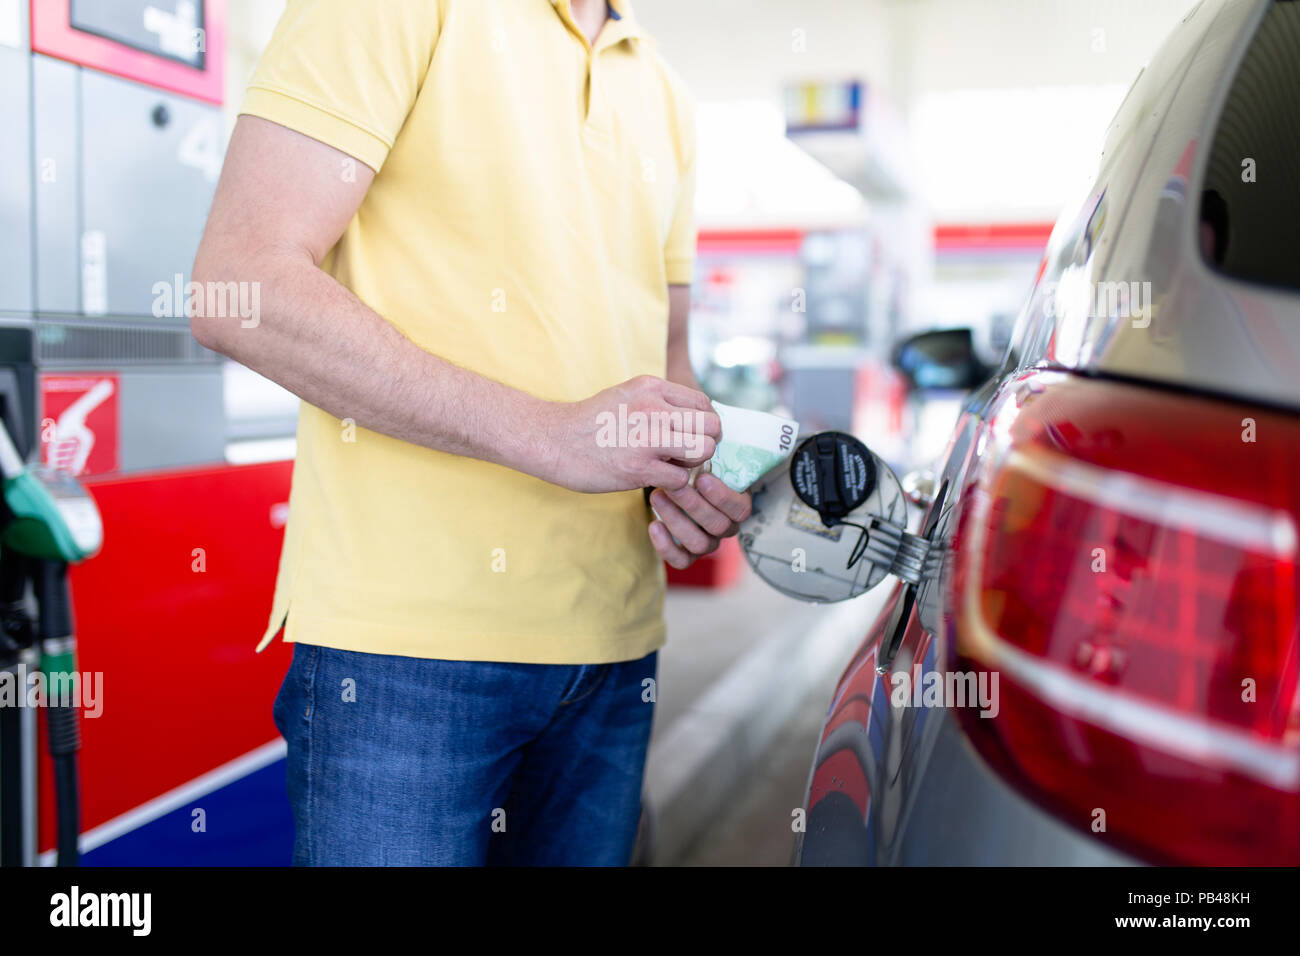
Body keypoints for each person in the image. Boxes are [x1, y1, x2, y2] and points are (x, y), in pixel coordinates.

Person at [191, 0, 750, 865]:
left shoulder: (664, 90)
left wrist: (691, 479)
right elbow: (241, 286)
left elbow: (666, 350)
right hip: (405, 657)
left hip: (614, 644)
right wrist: (549, 434)